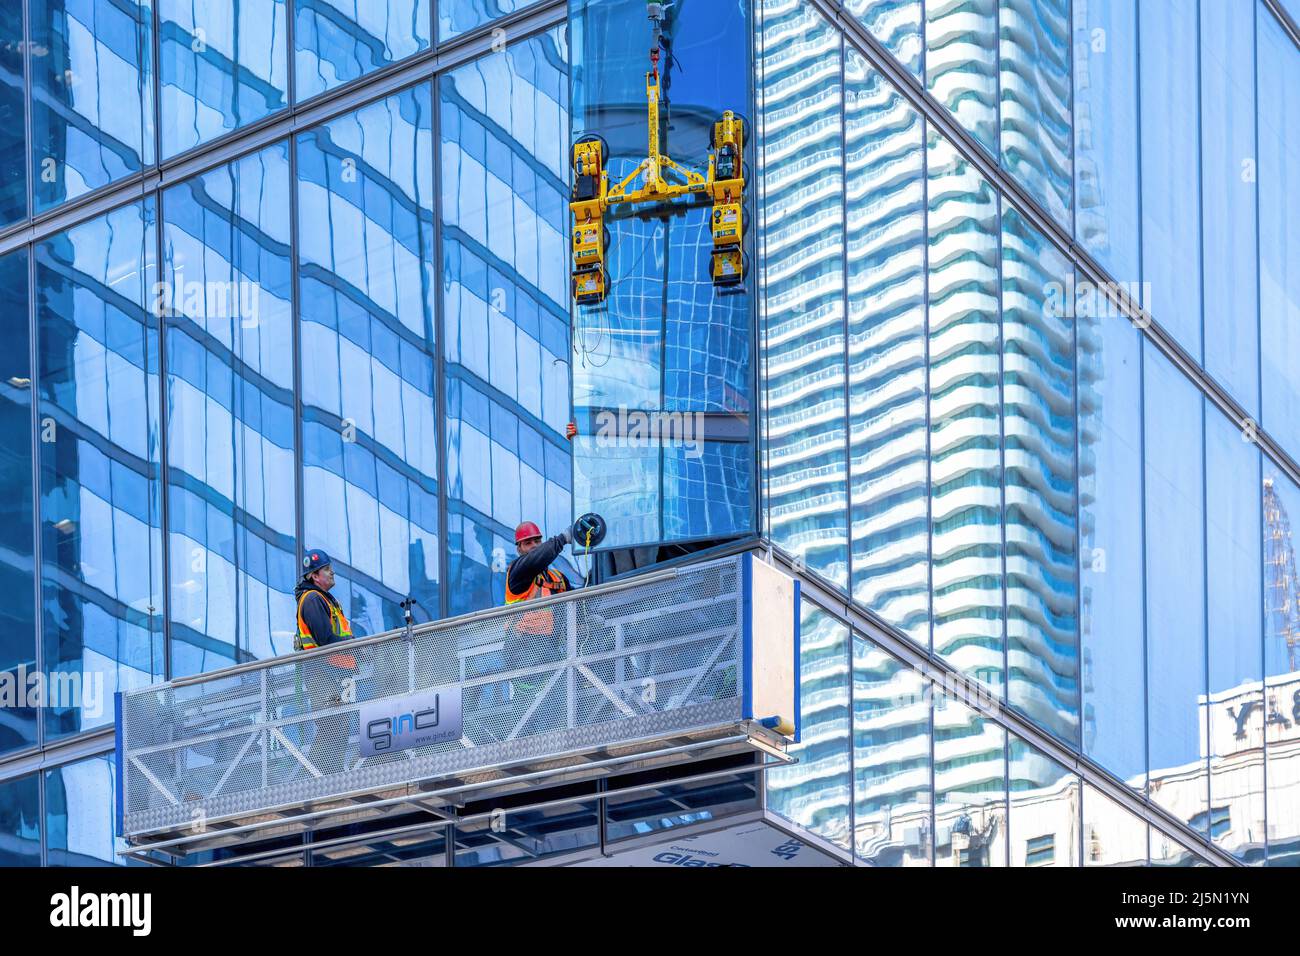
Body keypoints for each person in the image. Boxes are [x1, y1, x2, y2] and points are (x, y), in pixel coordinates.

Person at [294, 550, 355, 773]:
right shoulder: (312, 600)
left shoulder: (325, 600)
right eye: (327, 569)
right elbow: (326, 640)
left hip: (335, 672)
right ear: (314, 576)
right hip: (323, 673)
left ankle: (330, 777)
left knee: (339, 727)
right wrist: (352, 644)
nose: (332, 573)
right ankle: (313, 780)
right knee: (332, 726)